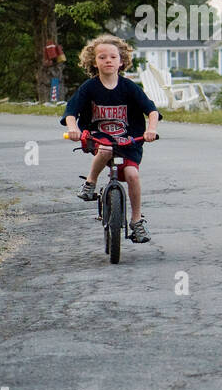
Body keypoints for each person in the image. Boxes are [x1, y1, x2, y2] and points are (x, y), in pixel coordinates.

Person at [61, 34, 160, 242]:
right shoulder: (89, 87)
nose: (108, 60)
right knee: (105, 149)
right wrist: (72, 129)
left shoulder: (129, 87)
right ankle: (90, 183)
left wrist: (150, 130)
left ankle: (136, 221)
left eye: (113, 57)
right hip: (99, 137)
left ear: (121, 61)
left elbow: (151, 110)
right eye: (102, 57)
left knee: (133, 175)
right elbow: (71, 111)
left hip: (128, 140)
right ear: (93, 62)